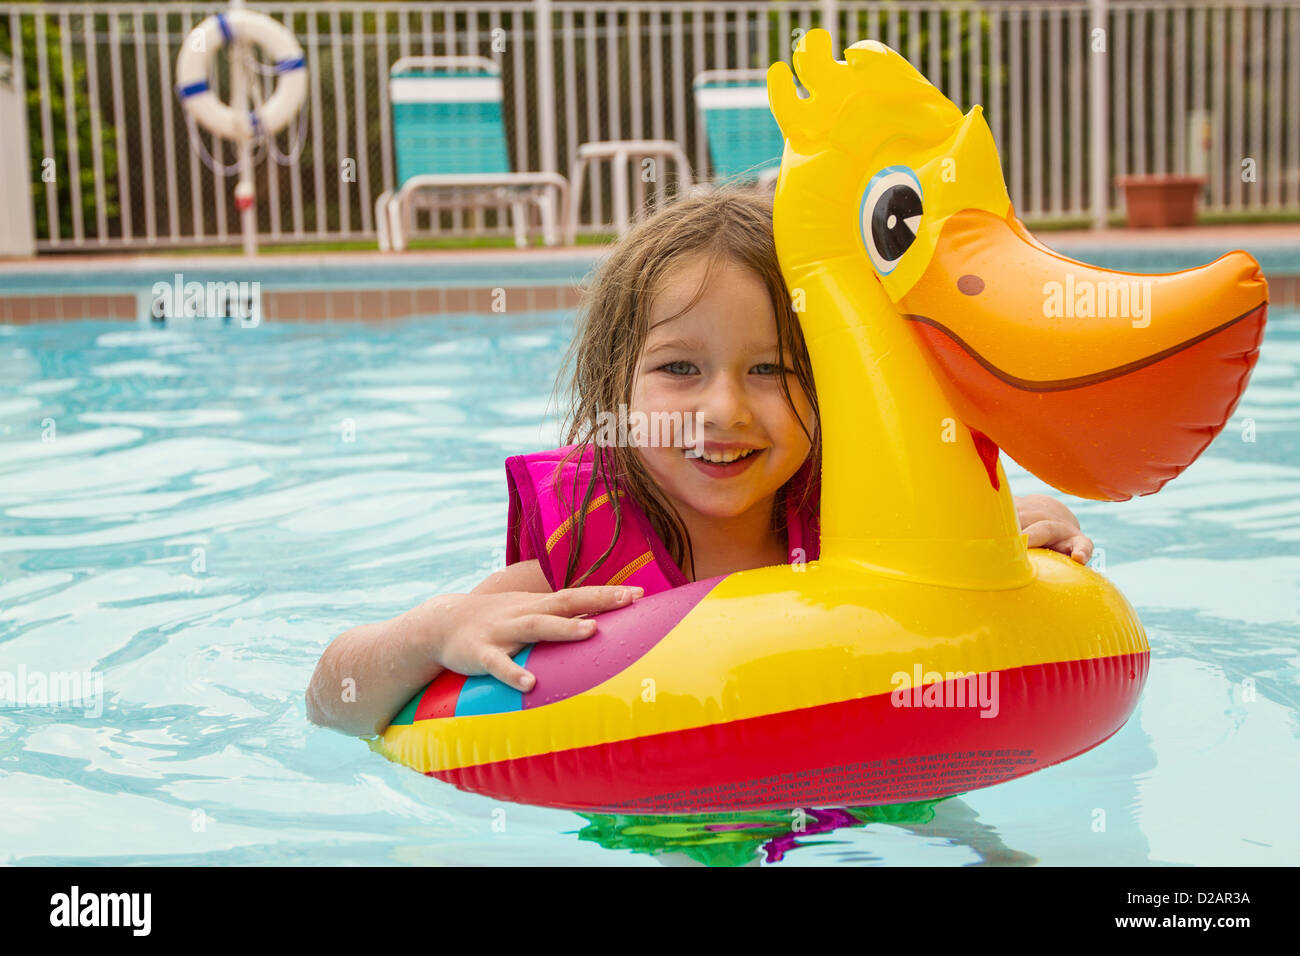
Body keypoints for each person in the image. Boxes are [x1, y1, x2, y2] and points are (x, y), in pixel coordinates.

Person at [306, 185, 1093, 737]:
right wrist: (431, 629)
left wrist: (1006, 537)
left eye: (773, 371)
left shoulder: (865, 533)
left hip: (860, 790)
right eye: (680, 369)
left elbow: (976, 600)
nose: (725, 411)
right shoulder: (574, 564)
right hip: (649, 812)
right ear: (615, 384)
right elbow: (330, 700)